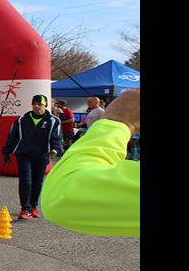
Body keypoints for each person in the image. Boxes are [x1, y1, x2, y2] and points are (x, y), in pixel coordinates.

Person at [41, 88, 139, 236]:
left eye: (90, 102)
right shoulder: (91, 111)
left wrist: (118, 121)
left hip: (101, 142)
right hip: (97, 140)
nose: (88, 103)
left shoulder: (99, 111)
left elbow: (62, 195)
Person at [2, 94, 63, 220]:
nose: (36, 107)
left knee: (37, 181)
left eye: (39, 104)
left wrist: (55, 150)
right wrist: (7, 152)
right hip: (24, 154)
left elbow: (56, 137)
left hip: (42, 155)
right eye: (34, 104)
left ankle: (33, 207)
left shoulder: (54, 121)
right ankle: (25, 208)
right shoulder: (22, 119)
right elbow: (13, 136)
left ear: (45, 105)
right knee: (26, 181)